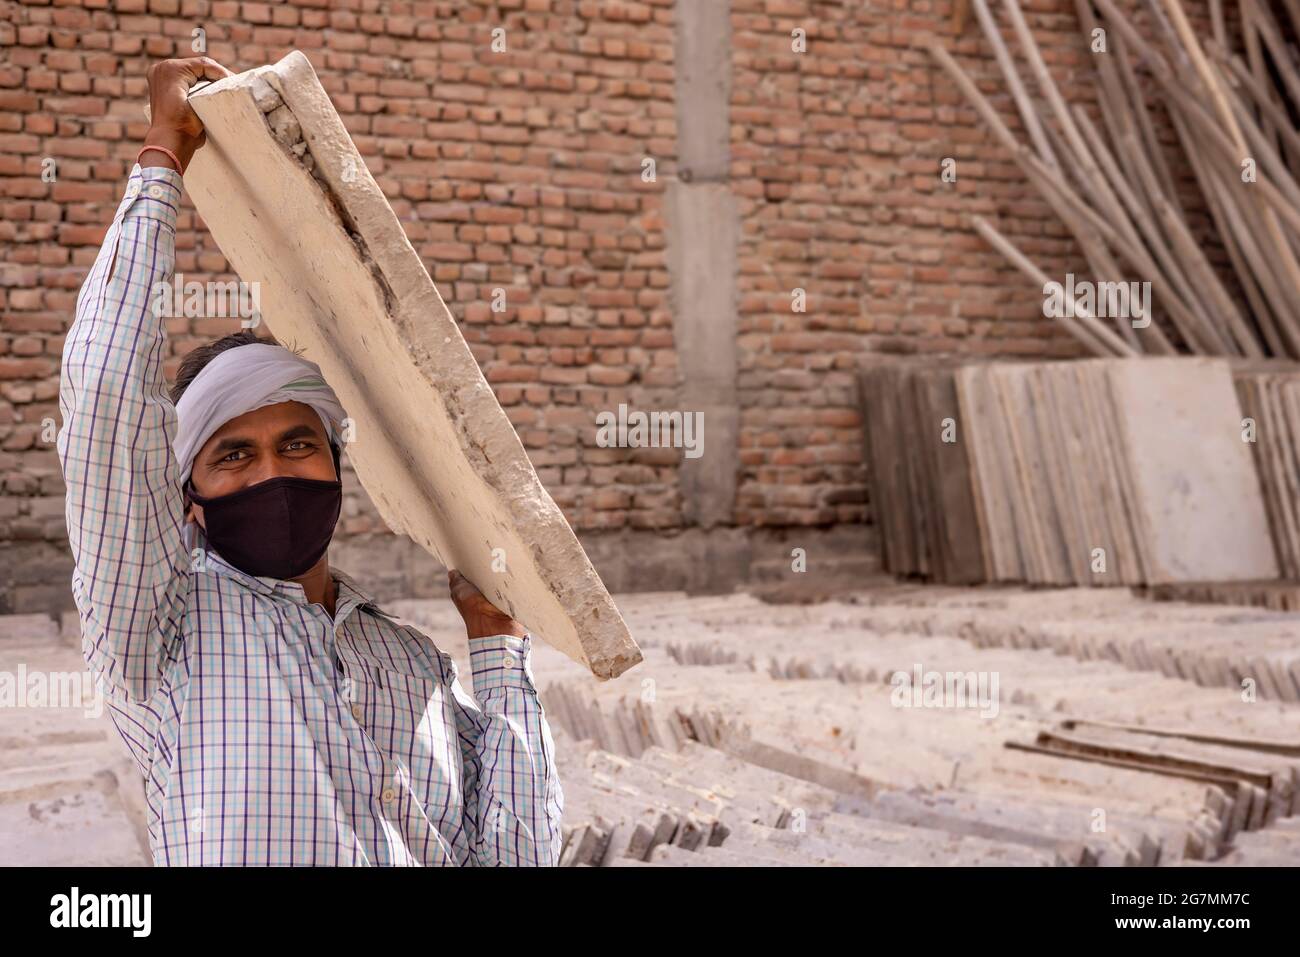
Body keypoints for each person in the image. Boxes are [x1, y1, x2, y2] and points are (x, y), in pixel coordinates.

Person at [58, 57, 564, 866]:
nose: (272, 473)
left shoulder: (408, 663)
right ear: (188, 494)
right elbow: (105, 401)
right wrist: (163, 154)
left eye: (298, 444)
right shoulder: (161, 630)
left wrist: (496, 643)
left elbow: (518, 854)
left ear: (335, 464)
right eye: (234, 454)